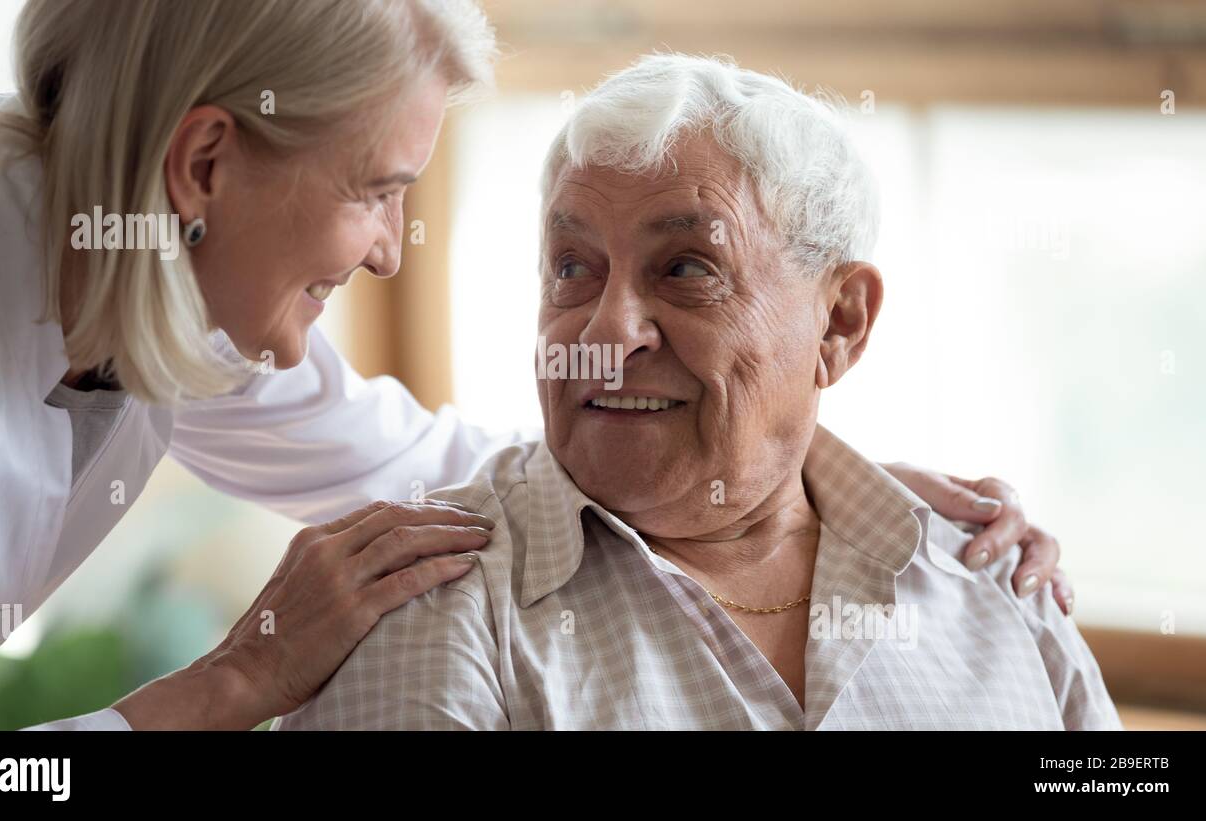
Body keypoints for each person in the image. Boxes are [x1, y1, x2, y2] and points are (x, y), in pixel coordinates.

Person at [0, 1, 1066, 731]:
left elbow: (466, 463)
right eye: (375, 191)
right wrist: (213, 693)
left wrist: (820, 482)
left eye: (686, 270)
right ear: (206, 163)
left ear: (845, 321)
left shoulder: (184, 307)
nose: (382, 252)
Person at [276, 54, 1118, 730]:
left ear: (840, 325)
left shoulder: (992, 573)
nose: (608, 334)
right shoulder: (429, 607)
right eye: (573, 269)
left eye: (685, 269)